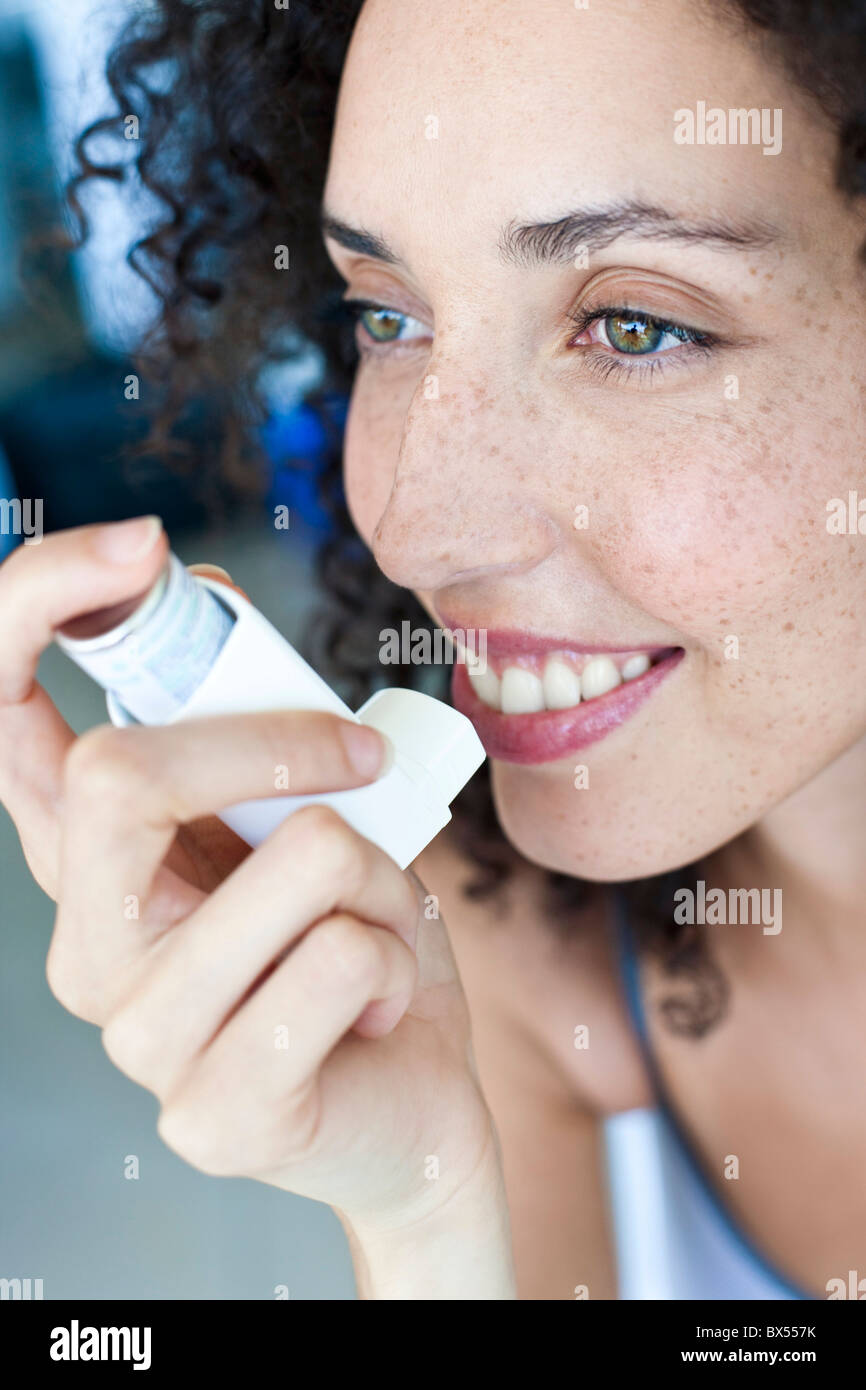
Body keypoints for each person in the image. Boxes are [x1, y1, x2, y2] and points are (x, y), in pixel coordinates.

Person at [2, 0, 866, 1300]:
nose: (413, 519)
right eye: (386, 316)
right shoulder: (504, 937)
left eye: (635, 325)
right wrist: (417, 1210)